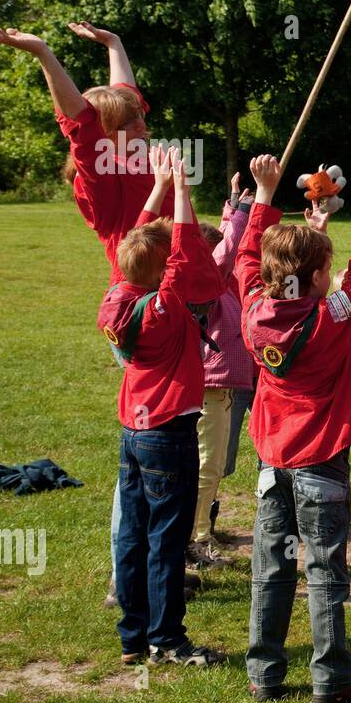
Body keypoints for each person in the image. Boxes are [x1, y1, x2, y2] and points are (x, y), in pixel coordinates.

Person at [0, 21, 189, 607]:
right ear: (109, 139)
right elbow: (81, 118)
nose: (147, 127)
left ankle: (160, 556)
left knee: (168, 439)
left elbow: (120, 104)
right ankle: (126, 578)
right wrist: (44, 53)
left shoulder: (130, 156)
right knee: (147, 442)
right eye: (137, 124)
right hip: (140, 316)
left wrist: (116, 47)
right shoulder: (101, 176)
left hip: (166, 306)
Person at [236, 154, 351, 703]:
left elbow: (247, 260)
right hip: (322, 462)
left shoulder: (253, 310)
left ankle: (264, 675)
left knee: (272, 566)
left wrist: (265, 194)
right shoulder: (335, 316)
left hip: (272, 462)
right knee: (327, 572)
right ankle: (330, 682)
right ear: (319, 277)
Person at [97, 147, 225, 667]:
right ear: (158, 273)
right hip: (169, 433)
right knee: (166, 540)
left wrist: (161, 189)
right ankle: (166, 639)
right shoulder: (167, 308)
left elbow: (141, 239)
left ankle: (133, 638)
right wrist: (184, 189)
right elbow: (184, 251)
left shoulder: (118, 296)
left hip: (133, 428)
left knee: (132, 533)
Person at [186, 174, 255, 569]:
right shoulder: (204, 286)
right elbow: (226, 249)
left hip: (222, 391)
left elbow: (226, 244)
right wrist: (245, 210)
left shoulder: (223, 286)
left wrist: (232, 204)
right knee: (206, 467)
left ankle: (200, 535)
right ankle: (196, 542)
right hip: (210, 391)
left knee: (211, 468)